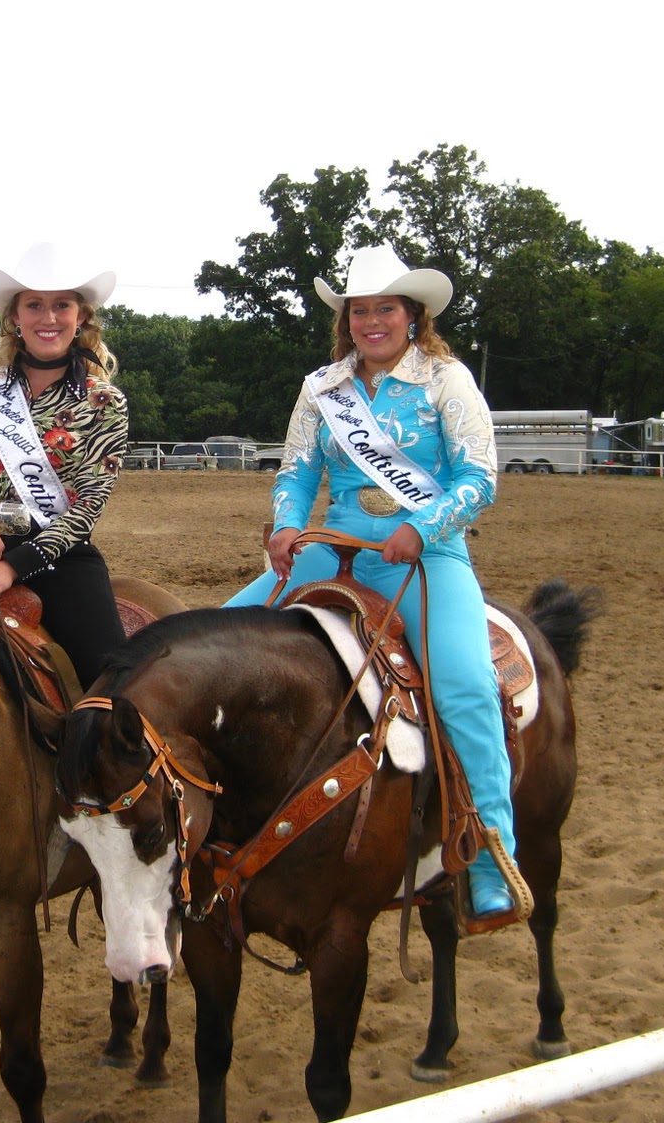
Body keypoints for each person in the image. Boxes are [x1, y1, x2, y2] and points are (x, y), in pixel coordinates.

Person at [225, 244, 519, 920]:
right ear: (346, 320)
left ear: (412, 315)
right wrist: (286, 525)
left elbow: (479, 477)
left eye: (385, 308)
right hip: (333, 549)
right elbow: (297, 471)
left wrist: (424, 525)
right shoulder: (321, 388)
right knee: (214, 642)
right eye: (360, 311)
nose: (372, 321)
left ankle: (489, 853)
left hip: (425, 555)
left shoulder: (448, 381)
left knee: (467, 686)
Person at [0, 241, 130, 689]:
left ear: (80, 317)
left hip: (62, 563)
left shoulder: (105, 402)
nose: (49, 318)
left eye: (62, 305)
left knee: (112, 692)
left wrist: (12, 567)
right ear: (15, 317)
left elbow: (86, 511)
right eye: (34, 305)